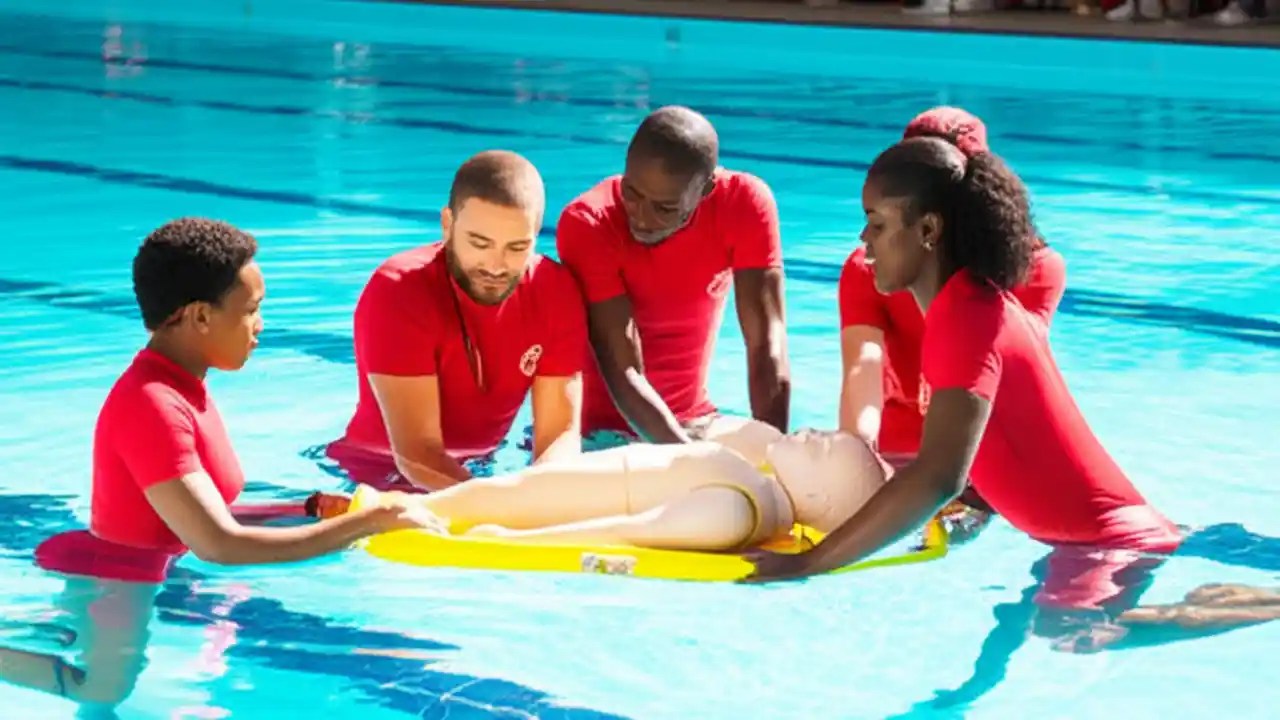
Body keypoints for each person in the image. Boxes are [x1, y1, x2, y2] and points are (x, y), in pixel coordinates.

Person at [747, 137, 1280, 644]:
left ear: (928, 229)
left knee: (1071, 634)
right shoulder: (974, 302)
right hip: (1091, 537)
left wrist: (813, 563)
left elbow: (939, 478)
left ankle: (1255, 605)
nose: (864, 240)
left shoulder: (965, 318)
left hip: (1109, 542)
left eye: (877, 223)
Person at [9, 218, 436, 708]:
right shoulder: (153, 406)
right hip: (119, 576)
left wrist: (308, 508)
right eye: (251, 309)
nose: (261, 324)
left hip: (157, 564)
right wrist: (366, 524)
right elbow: (218, 543)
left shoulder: (183, 386)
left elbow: (211, 506)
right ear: (199, 316)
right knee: (104, 690)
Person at [327, 150, 589, 490]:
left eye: (517, 247)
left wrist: (541, 497)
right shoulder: (399, 292)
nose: (496, 265)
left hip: (477, 471)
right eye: (480, 243)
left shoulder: (554, 292)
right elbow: (417, 454)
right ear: (448, 225)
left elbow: (560, 435)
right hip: (375, 475)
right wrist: (499, 510)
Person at [839, 106, 1067, 464]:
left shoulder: (1034, 269)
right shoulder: (870, 267)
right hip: (896, 450)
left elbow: (1015, 391)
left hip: (978, 455)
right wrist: (857, 452)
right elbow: (862, 365)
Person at [555, 105, 790, 448]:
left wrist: (776, 454)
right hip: (600, 436)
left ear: (706, 190)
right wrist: (690, 460)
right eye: (632, 194)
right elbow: (625, 372)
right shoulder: (589, 224)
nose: (642, 218)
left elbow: (766, 342)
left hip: (696, 421)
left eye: (665, 208)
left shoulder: (743, 205)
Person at [311, 419, 890, 554]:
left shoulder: (739, 513)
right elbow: (731, 429)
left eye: (820, 447)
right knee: (483, 497)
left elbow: (626, 534)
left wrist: (506, 543)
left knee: (487, 505)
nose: (810, 432)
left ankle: (371, 518)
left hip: (567, 503)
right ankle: (376, 511)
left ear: (823, 500)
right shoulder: (761, 479)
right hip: (582, 481)